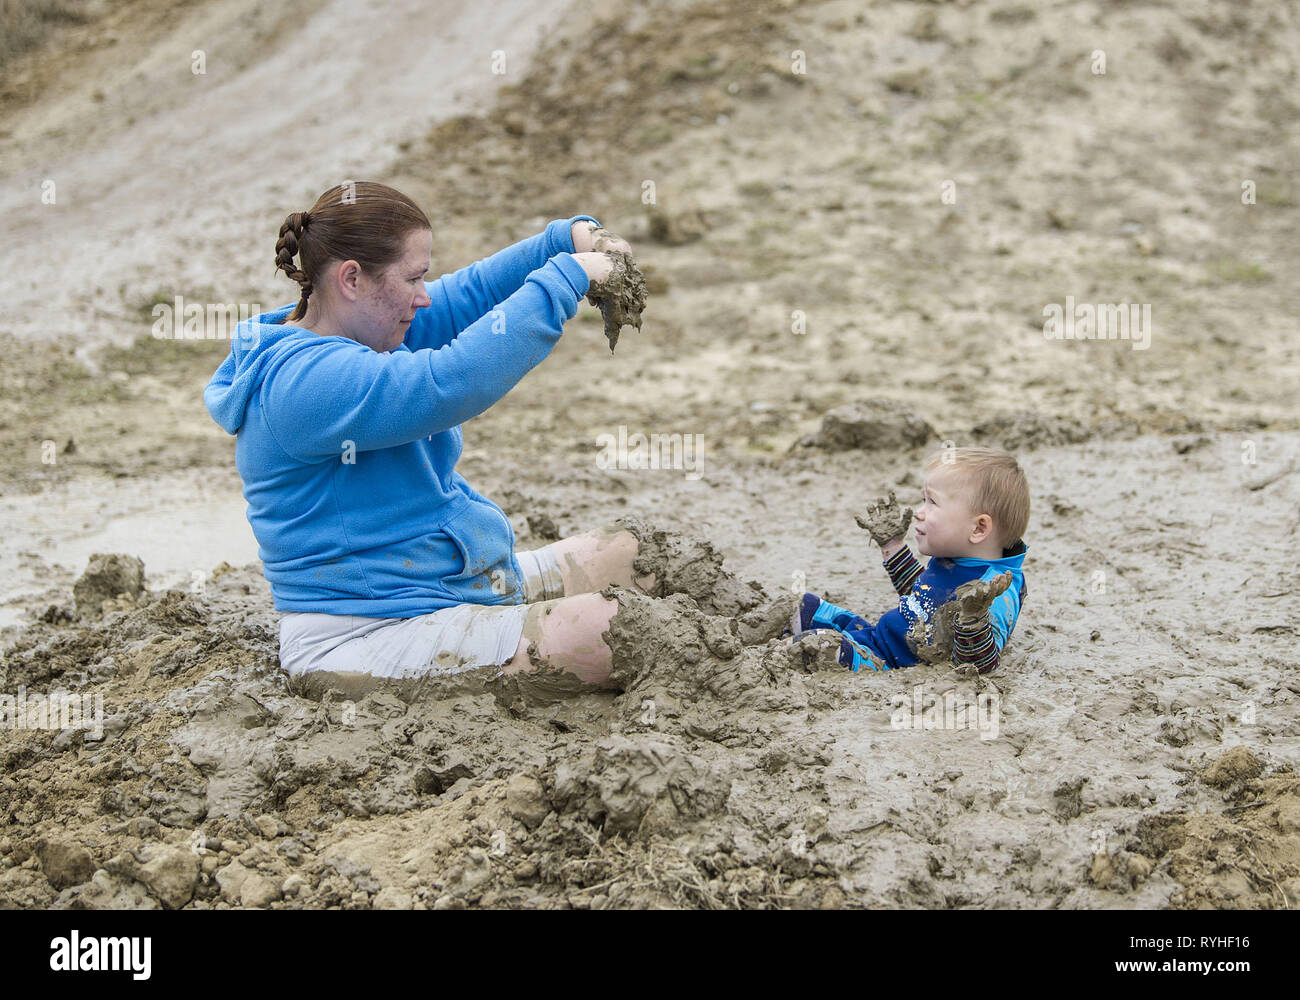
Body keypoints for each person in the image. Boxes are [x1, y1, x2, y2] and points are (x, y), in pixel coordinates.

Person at [203, 181, 669, 689]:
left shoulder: (367, 327)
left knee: (639, 553)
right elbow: (448, 384)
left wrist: (567, 240)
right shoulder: (303, 383)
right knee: (622, 632)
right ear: (352, 279)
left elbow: (468, 296)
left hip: (449, 584)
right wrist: (566, 280)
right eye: (413, 278)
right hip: (368, 634)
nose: (424, 295)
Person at [792, 446, 1030, 674]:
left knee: (813, 647)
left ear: (978, 528)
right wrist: (892, 546)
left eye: (933, 502)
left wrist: (973, 621)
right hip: (878, 637)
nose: (919, 511)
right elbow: (923, 596)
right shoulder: (957, 556)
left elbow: (980, 666)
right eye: (923, 499)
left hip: (883, 663)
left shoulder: (994, 590)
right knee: (802, 606)